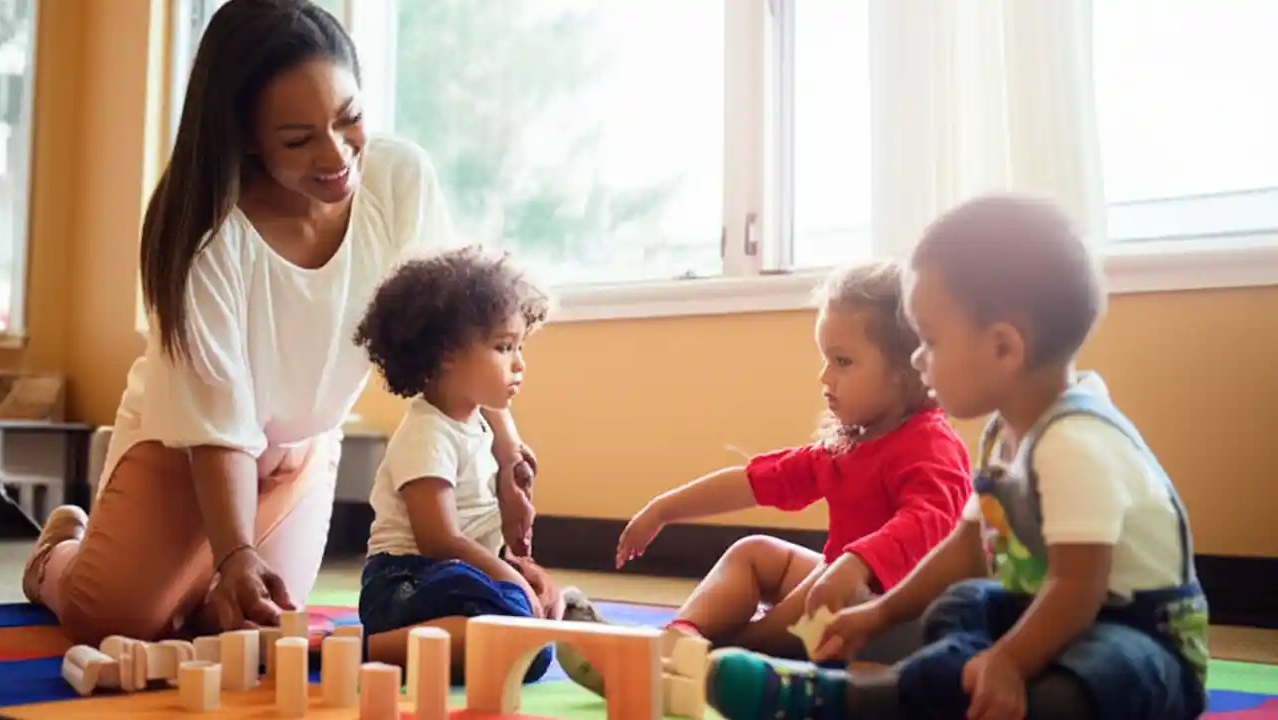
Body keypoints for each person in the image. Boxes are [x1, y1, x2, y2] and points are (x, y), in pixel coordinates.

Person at [20, 0, 536, 646]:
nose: (336, 154)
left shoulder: (399, 181)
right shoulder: (205, 235)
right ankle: (58, 553)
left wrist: (508, 454)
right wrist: (235, 551)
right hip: (188, 449)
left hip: (302, 452)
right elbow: (216, 426)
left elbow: (460, 337)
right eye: (298, 139)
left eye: (349, 119)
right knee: (117, 621)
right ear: (246, 137)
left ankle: (198, 574)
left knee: (247, 627)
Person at [705, 196, 1209, 720]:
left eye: (930, 340)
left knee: (1086, 681)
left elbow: (1077, 587)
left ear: (1003, 348)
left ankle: (872, 700)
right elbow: (966, 551)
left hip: (1141, 640)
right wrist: (880, 613)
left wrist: (1010, 659)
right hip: (1048, 615)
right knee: (962, 603)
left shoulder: (1074, 444)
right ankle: (891, 695)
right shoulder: (1003, 433)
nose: (919, 358)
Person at [559, 261, 972, 696]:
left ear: (906, 372)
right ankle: (675, 641)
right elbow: (755, 480)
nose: (824, 376)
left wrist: (855, 563)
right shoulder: (851, 443)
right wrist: (664, 509)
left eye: (843, 362)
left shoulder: (931, 445)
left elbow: (933, 524)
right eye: (824, 359)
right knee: (755, 552)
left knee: (827, 584)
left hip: (902, 620)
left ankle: (698, 666)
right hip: (840, 593)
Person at [352, 246, 596, 680]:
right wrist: (511, 580)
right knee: (521, 637)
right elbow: (438, 539)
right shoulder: (427, 432)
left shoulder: (478, 425)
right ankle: (363, 647)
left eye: (520, 346)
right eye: (504, 348)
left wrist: (519, 570)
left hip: (452, 575)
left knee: (528, 623)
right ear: (446, 354)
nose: (520, 364)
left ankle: (518, 620)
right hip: (404, 582)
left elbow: (474, 534)